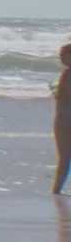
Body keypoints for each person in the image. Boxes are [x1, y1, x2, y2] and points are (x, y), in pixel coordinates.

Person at [54, 43, 71, 195]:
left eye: (64, 55)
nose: (61, 59)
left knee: (64, 159)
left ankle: (56, 191)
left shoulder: (67, 75)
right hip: (63, 120)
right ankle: (56, 191)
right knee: (65, 159)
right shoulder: (66, 74)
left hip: (63, 121)